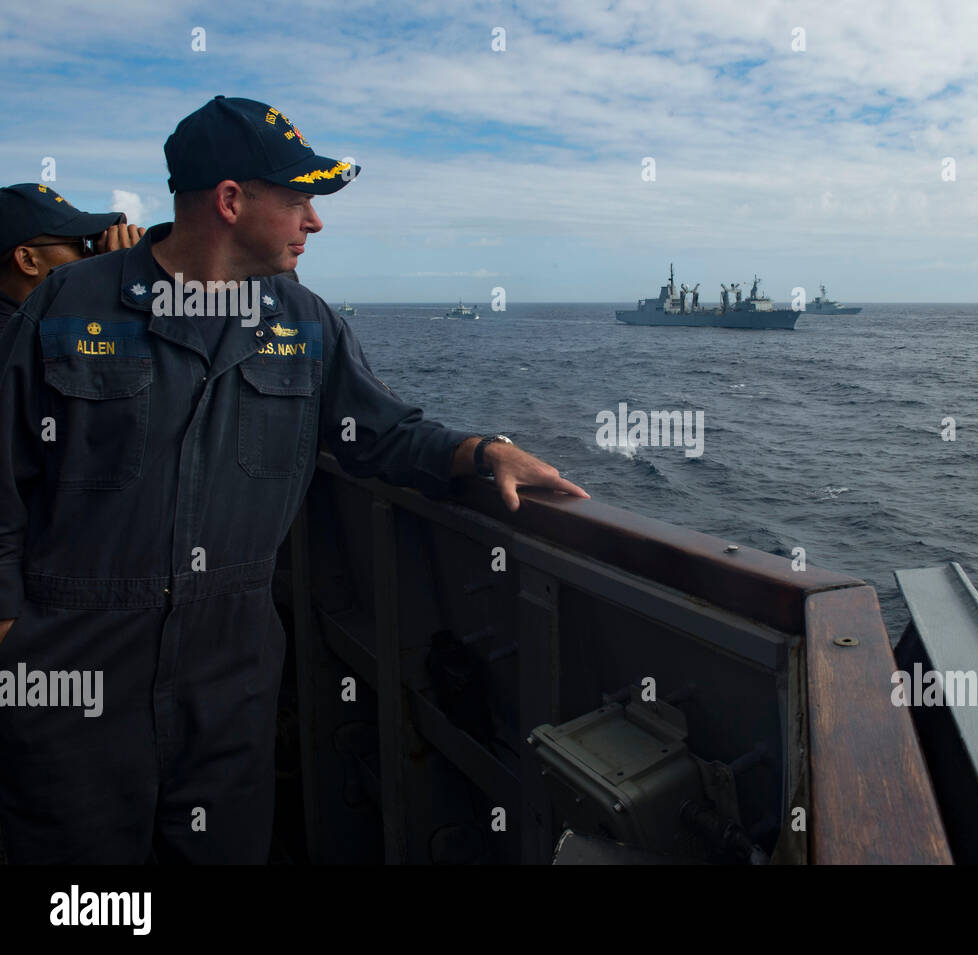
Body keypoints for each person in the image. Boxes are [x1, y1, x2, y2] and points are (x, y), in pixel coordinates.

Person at [0, 95, 587, 864]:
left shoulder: (307, 325)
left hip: (229, 677)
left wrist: (478, 453)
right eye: (300, 198)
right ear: (231, 200)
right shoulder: (69, 305)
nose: (314, 221)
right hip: (74, 672)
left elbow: (382, 433)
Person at [0, 183, 145, 330]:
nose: (90, 255)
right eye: (79, 244)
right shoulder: (17, 339)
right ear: (28, 260)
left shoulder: (37, 326)